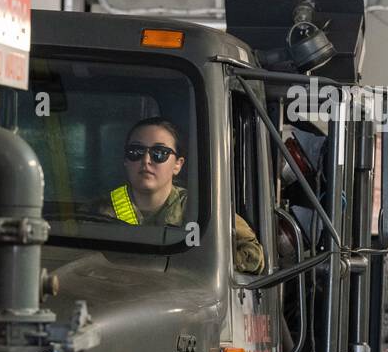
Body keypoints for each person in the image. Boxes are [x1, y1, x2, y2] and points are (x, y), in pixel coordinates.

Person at [104, 116, 266, 273]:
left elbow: (254, 255)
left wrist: (207, 265)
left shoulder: (203, 210)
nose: (146, 160)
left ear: (177, 165)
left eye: (160, 153)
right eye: (136, 151)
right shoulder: (99, 211)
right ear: (126, 160)